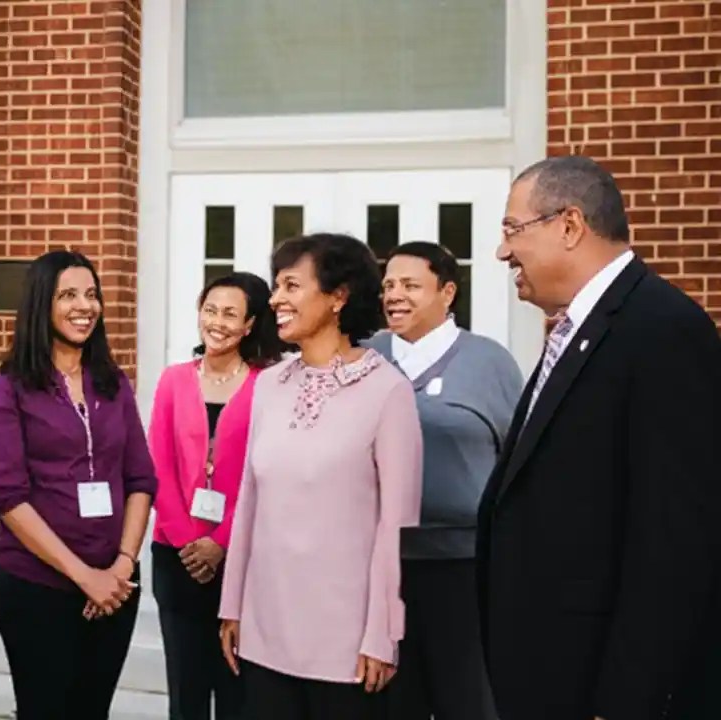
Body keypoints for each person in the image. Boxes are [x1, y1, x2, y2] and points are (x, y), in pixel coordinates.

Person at [476, 155, 721, 720]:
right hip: (548, 669)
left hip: (597, 683)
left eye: (513, 229)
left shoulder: (663, 330)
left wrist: (626, 699)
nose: (502, 251)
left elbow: (674, 540)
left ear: (569, 225)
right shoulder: (579, 327)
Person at [219, 233, 423, 720]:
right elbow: (249, 500)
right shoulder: (269, 385)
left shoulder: (388, 392)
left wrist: (384, 632)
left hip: (347, 644)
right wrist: (232, 605)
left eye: (291, 285)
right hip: (264, 631)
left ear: (338, 296)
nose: (275, 299)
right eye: (276, 286)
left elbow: (397, 527)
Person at [0, 250, 157, 720]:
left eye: (91, 294)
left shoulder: (113, 383)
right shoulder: (10, 387)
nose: (85, 306)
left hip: (115, 586)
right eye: (68, 295)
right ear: (43, 304)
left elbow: (141, 479)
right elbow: (5, 496)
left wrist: (121, 566)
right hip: (38, 588)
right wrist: (84, 577)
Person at [363, 242, 521, 720]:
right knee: (390, 704)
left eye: (411, 285)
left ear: (447, 292)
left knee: (467, 700)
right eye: (389, 285)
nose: (395, 295)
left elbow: (517, 462)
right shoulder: (364, 358)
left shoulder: (489, 362)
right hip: (378, 568)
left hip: (464, 569)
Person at [147, 271, 283, 720]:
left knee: (236, 689)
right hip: (177, 555)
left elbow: (265, 472)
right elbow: (158, 466)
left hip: (243, 555)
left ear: (249, 324)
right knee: (185, 689)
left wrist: (221, 542)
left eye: (230, 314)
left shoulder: (269, 385)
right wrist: (189, 542)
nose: (217, 322)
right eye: (210, 310)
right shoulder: (173, 380)